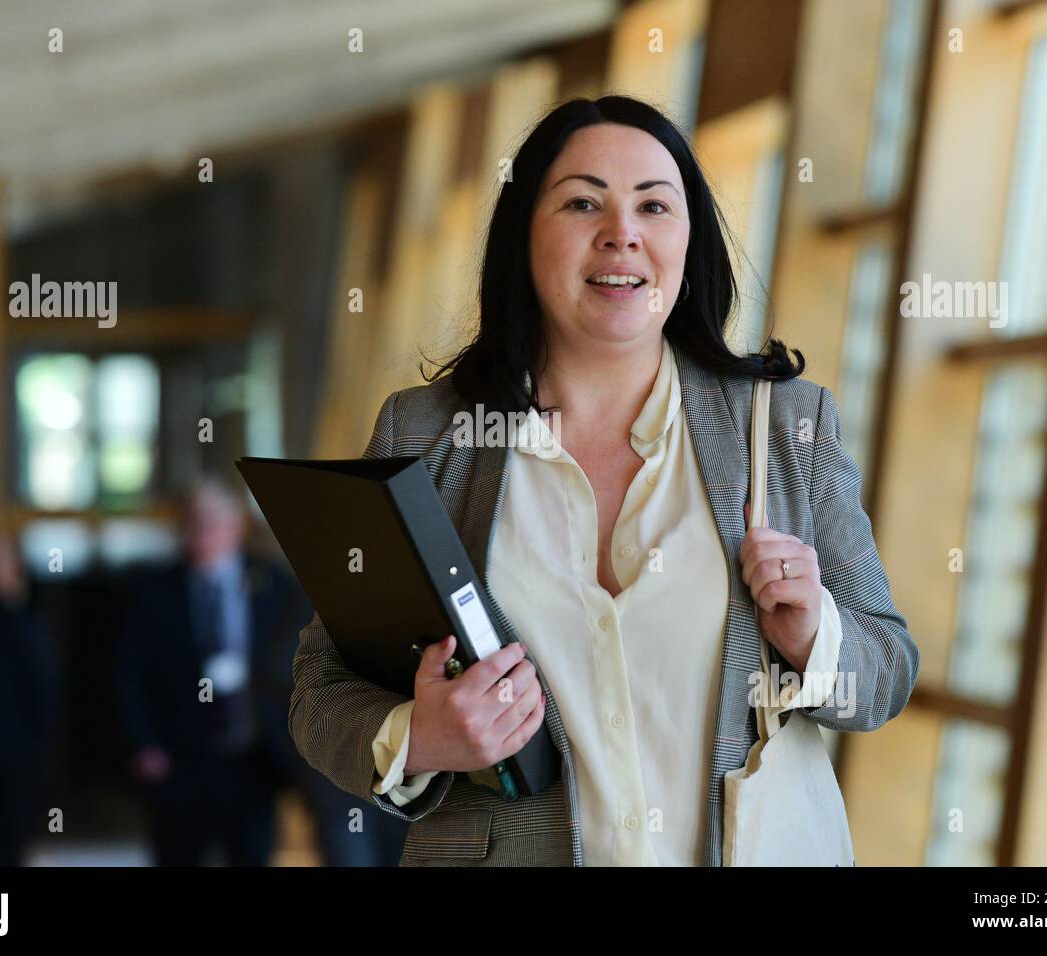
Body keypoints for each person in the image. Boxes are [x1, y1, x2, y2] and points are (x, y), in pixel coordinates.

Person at [290, 95, 920, 866]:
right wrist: (422, 736)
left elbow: (886, 670)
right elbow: (322, 690)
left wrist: (812, 635)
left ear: (688, 241)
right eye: (583, 202)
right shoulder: (428, 437)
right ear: (525, 235)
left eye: (654, 206)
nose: (622, 232)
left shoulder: (784, 426)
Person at [115, 478, 407, 866]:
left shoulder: (278, 587)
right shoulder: (151, 590)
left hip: (255, 758)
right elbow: (126, 673)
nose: (202, 531)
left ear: (237, 525)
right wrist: (141, 742)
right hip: (180, 757)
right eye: (194, 521)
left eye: (213, 521)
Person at [0, 533, 58, 866]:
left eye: (1, 561)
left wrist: (40, 739)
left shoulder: (26, 615)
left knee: (11, 835)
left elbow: (42, 684)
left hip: (17, 743)